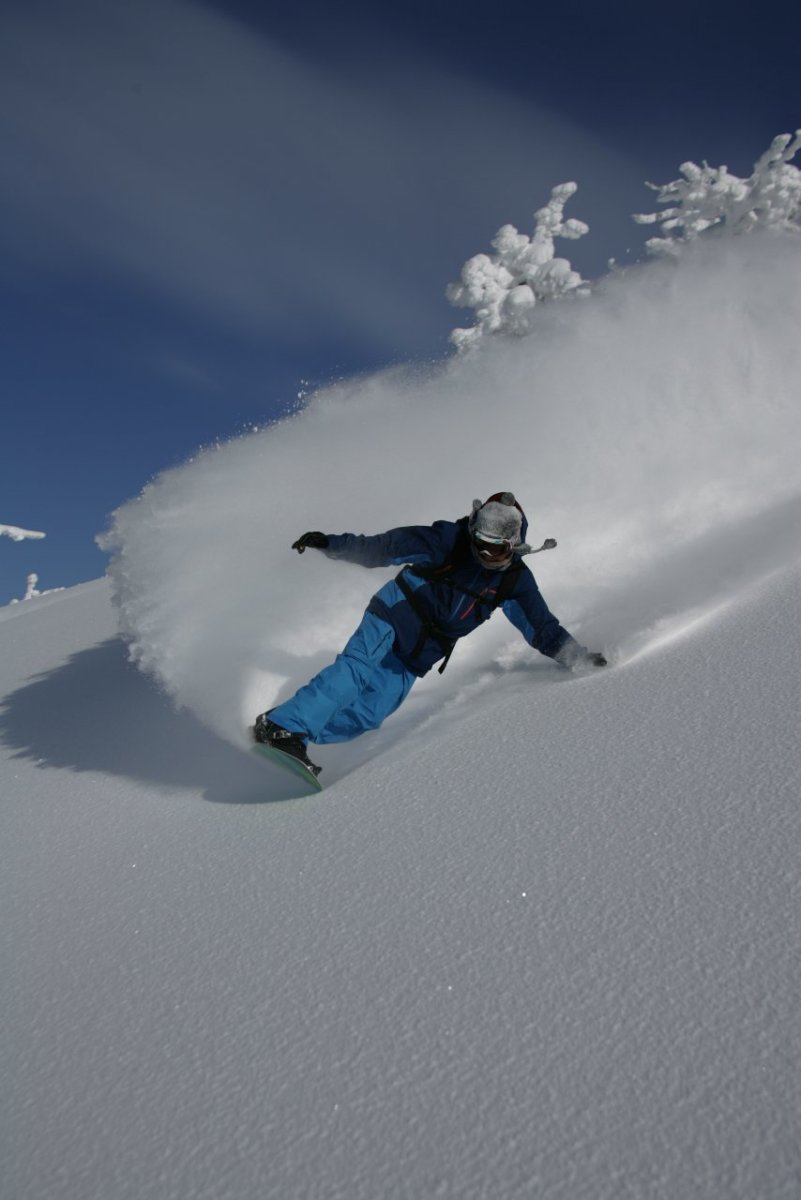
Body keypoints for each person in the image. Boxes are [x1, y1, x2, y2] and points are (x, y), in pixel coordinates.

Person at [252, 492, 606, 777]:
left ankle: (291, 729)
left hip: (422, 650)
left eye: (494, 548)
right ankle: (285, 727)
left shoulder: (514, 581)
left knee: (370, 714)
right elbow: (384, 547)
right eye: (479, 542)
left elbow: (541, 628)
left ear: (512, 545)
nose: (483, 553)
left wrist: (578, 658)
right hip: (395, 615)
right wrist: (331, 544)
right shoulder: (448, 541)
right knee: (354, 673)